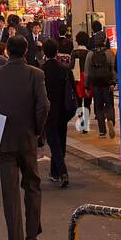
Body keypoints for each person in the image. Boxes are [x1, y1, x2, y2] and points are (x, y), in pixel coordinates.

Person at [0, 34, 49, 240]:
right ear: (26, 51)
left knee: (10, 193)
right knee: (32, 184)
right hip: (27, 138)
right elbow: (43, 106)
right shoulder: (35, 74)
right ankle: (31, 236)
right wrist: (37, 130)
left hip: (4, 140)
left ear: (7, 51)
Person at [41, 38, 77, 187]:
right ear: (57, 52)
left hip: (48, 111)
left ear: (44, 52)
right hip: (64, 109)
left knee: (54, 143)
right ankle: (55, 172)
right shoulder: (65, 70)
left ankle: (62, 172)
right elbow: (73, 90)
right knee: (61, 140)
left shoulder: (40, 71)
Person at [84, 31, 117, 138]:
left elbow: (87, 72)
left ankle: (102, 131)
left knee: (98, 108)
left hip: (96, 84)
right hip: (107, 84)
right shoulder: (109, 53)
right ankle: (111, 120)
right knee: (109, 105)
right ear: (104, 41)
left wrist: (86, 86)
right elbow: (113, 69)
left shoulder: (90, 54)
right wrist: (114, 82)